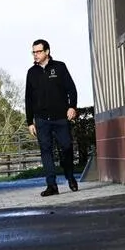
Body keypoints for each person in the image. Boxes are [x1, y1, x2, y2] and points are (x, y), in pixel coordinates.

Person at [25, 39, 79, 196]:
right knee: (46, 151)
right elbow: (28, 98)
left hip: (61, 117)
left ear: (47, 52)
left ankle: (70, 177)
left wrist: (72, 107)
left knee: (67, 147)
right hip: (41, 119)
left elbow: (72, 89)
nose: (35, 55)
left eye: (38, 51)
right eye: (33, 52)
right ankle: (52, 186)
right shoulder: (31, 73)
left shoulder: (59, 67)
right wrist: (30, 122)